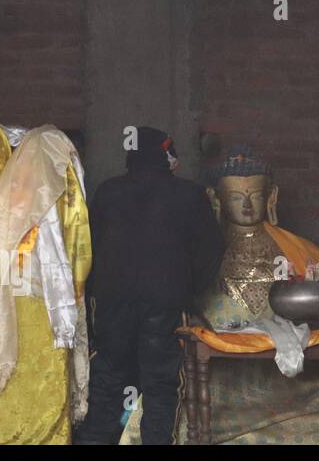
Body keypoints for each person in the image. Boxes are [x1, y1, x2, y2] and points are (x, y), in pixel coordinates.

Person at [74, 127, 223, 444]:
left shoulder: (107, 192)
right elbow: (211, 250)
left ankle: (95, 440)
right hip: (165, 304)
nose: (176, 159)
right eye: (171, 152)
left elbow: (87, 247)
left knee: (108, 376)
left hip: (113, 304)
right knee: (160, 383)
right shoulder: (189, 194)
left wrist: (101, 286)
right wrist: (187, 287)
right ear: (163, 154)